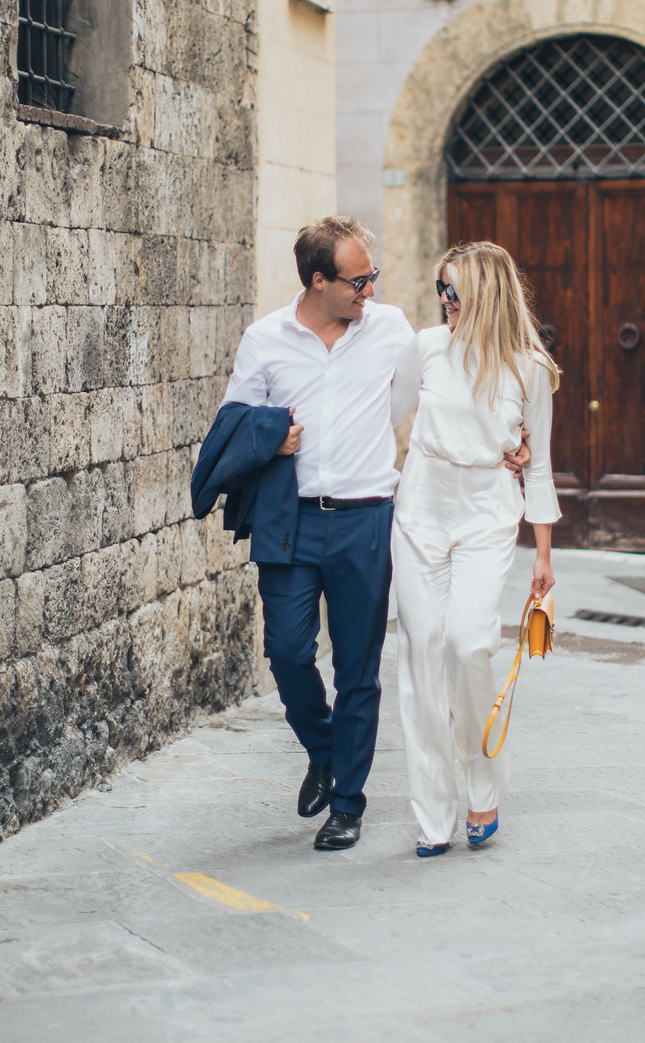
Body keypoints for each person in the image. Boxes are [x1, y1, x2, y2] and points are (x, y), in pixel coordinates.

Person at [218, 216, 529, 853]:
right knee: (286, 652)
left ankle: (349, 804)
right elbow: (234, 424)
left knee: (358, 668)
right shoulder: (264, 340)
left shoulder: (392, 331)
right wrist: (270, 438)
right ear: (317, 281)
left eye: (372, 278)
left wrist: (511, 438)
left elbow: (455, 381)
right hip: (292, 518)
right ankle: (324, 750)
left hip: (367, 517)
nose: (369, 291)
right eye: (357, 281)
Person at [390, 242, 561, 856]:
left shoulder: (529, 367)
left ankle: (482, 781)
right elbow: (386, 414)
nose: (444, 301)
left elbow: (537, 467)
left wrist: (543, 557)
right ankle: (433, 814)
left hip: (487, 513)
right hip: (421, 512)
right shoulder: (427, 347)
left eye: (454, 292)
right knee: (421, 662)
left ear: (485, 296)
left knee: (469, 644)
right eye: (440, 289)